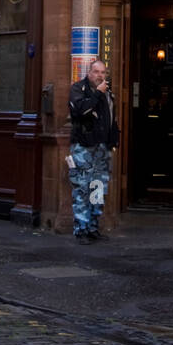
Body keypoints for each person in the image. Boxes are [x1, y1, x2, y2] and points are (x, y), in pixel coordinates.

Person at [67, 58, 119, 241]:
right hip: (83, 147)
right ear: (89, 73)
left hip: (102, 149)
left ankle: (92, 227)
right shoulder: (78, 89)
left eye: (103, 73)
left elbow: (112, 119)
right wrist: (97, 93)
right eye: (96, 72)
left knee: (97, 190)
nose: (100, 76)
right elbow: (80, 111)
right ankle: (81, 230)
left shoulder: (108, 94)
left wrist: (113, 142)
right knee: (82, 189)